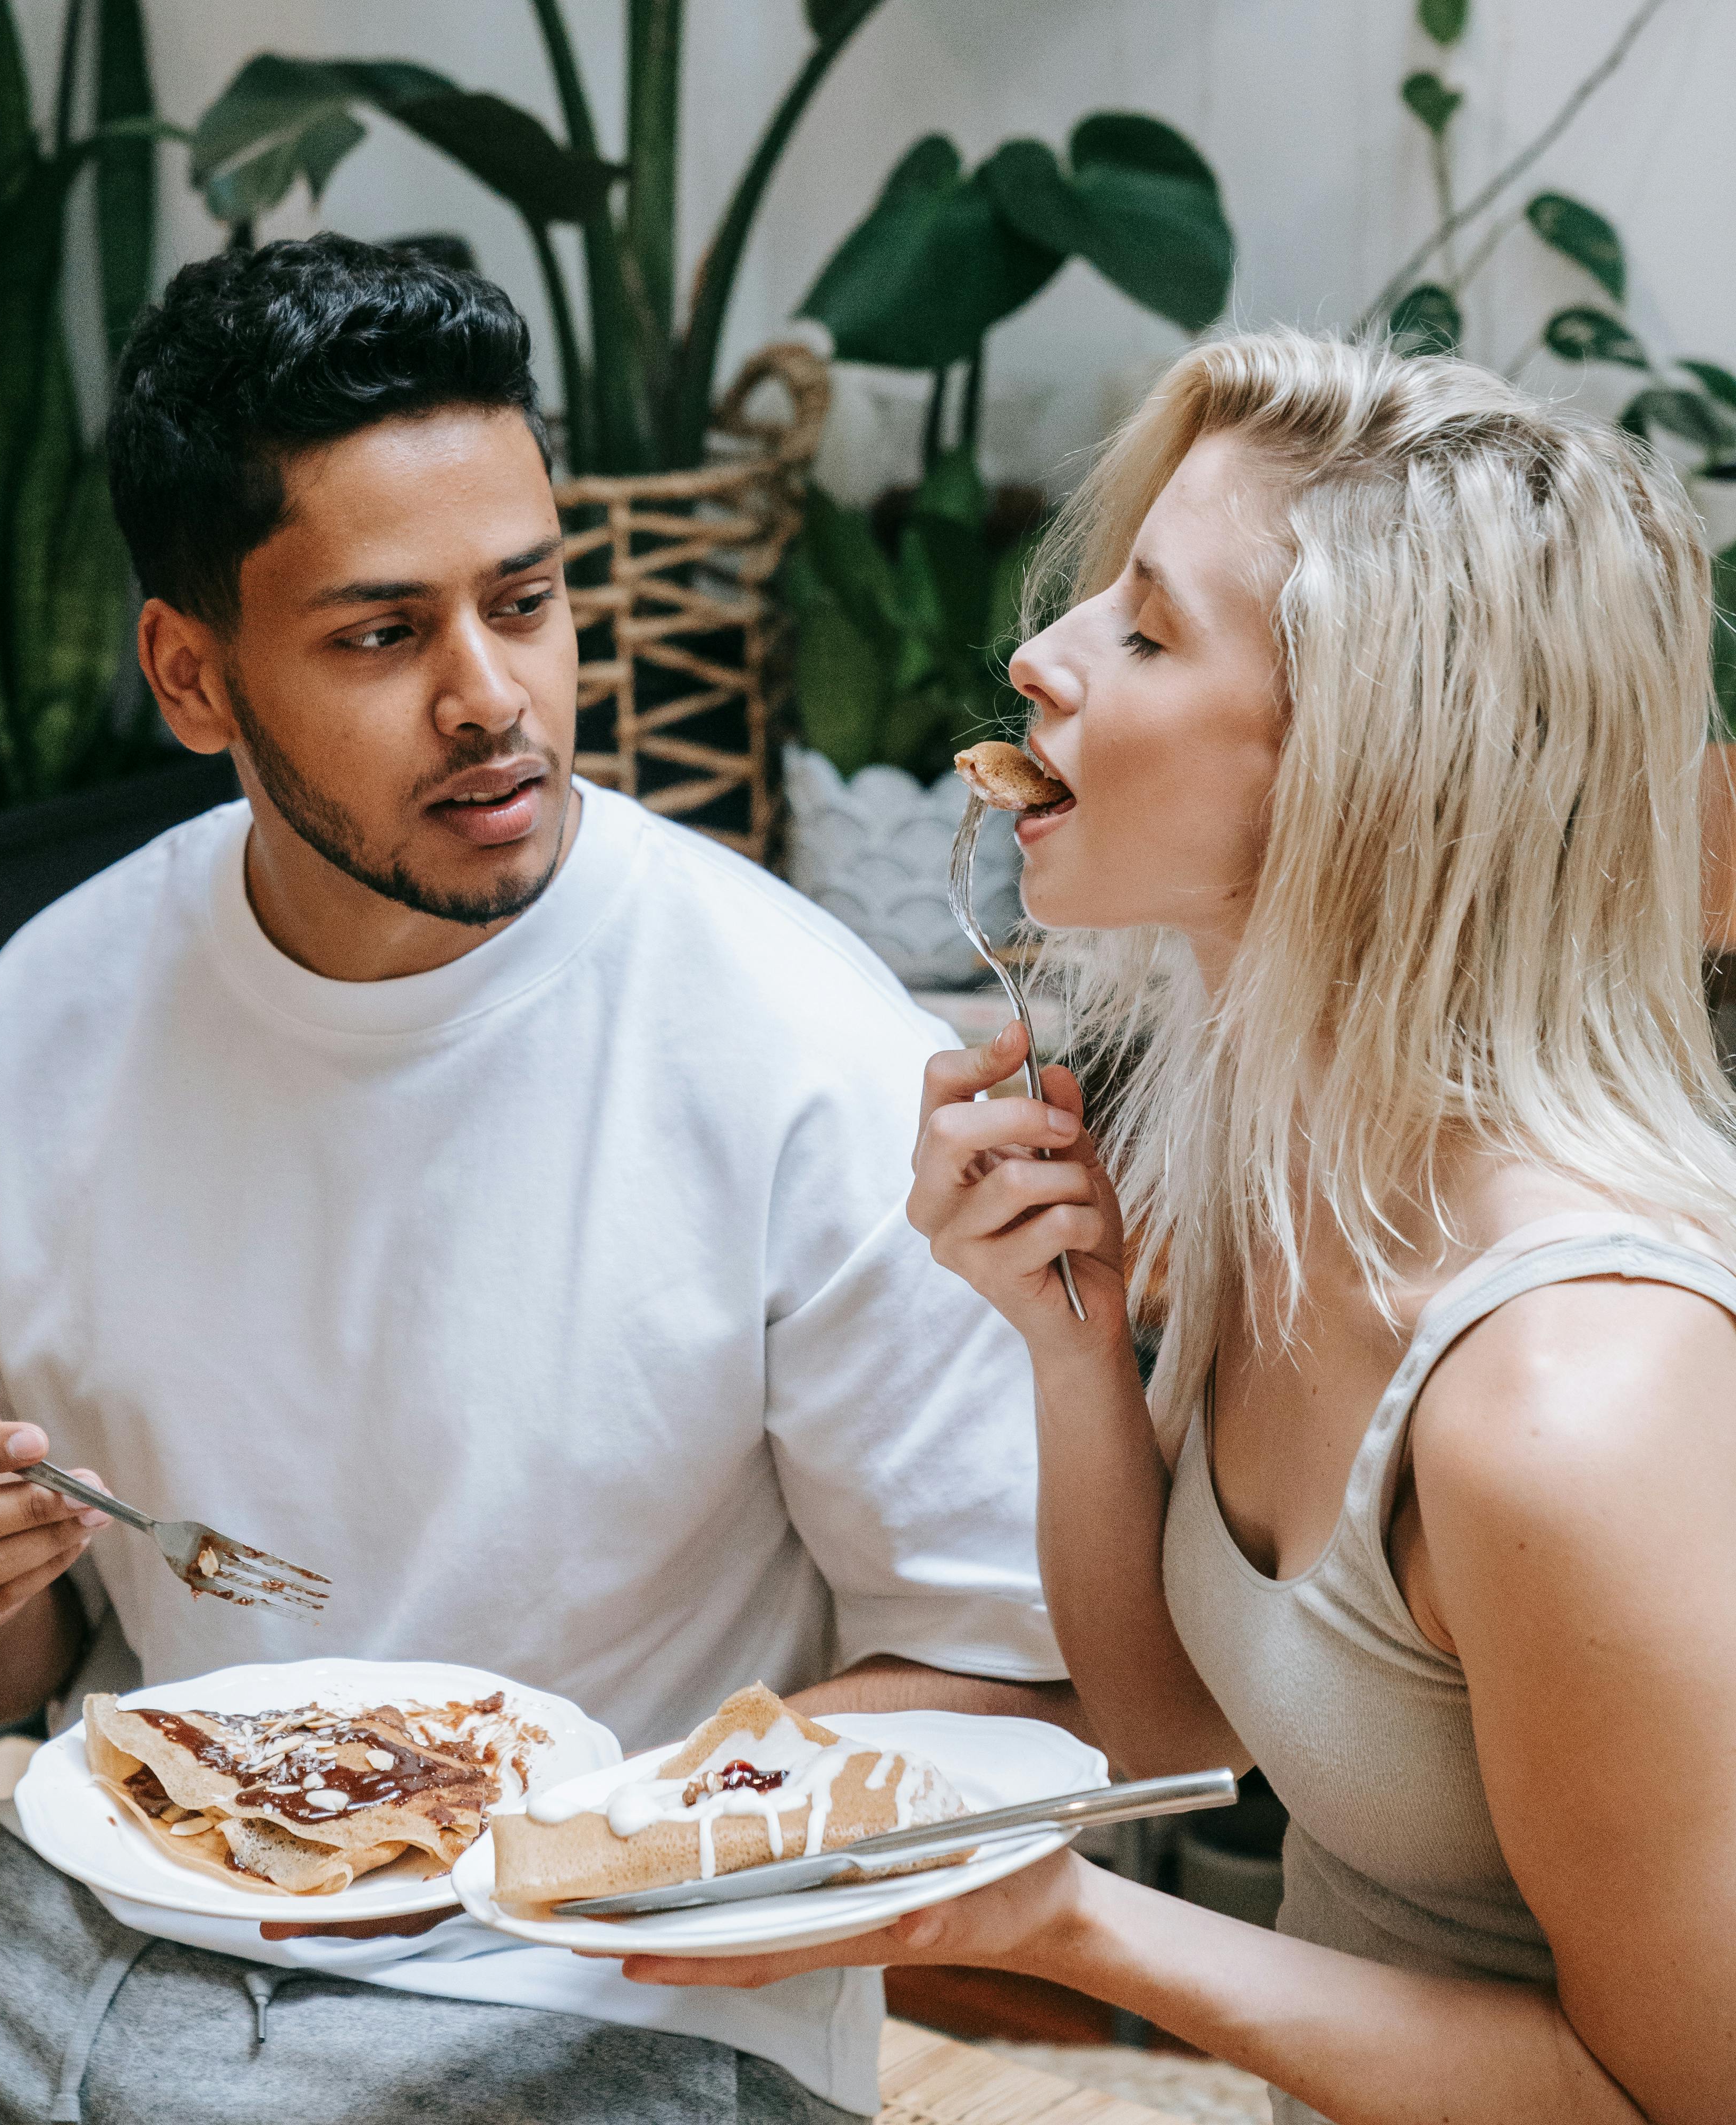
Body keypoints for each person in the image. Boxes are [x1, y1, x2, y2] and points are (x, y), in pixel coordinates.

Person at [0, 232, 1074, 2125]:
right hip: (88, 1923)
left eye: (528, 602)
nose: (494, 699)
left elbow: (998, 1680)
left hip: (603, 1987)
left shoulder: (800, 1039)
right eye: (384, 635)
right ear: (189, 676)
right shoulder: (35, 1024)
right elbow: (1, 1673)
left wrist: (578, 1846)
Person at [622, 331, 1736, 2125]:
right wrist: (1070, 1340)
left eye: (1144, 631)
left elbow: (1671, 2099)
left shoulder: (1569, 1399)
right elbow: (1175, 1732)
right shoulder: (1291, 1167)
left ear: (1368, 768)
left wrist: (1074, 1929)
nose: (1033, 663)